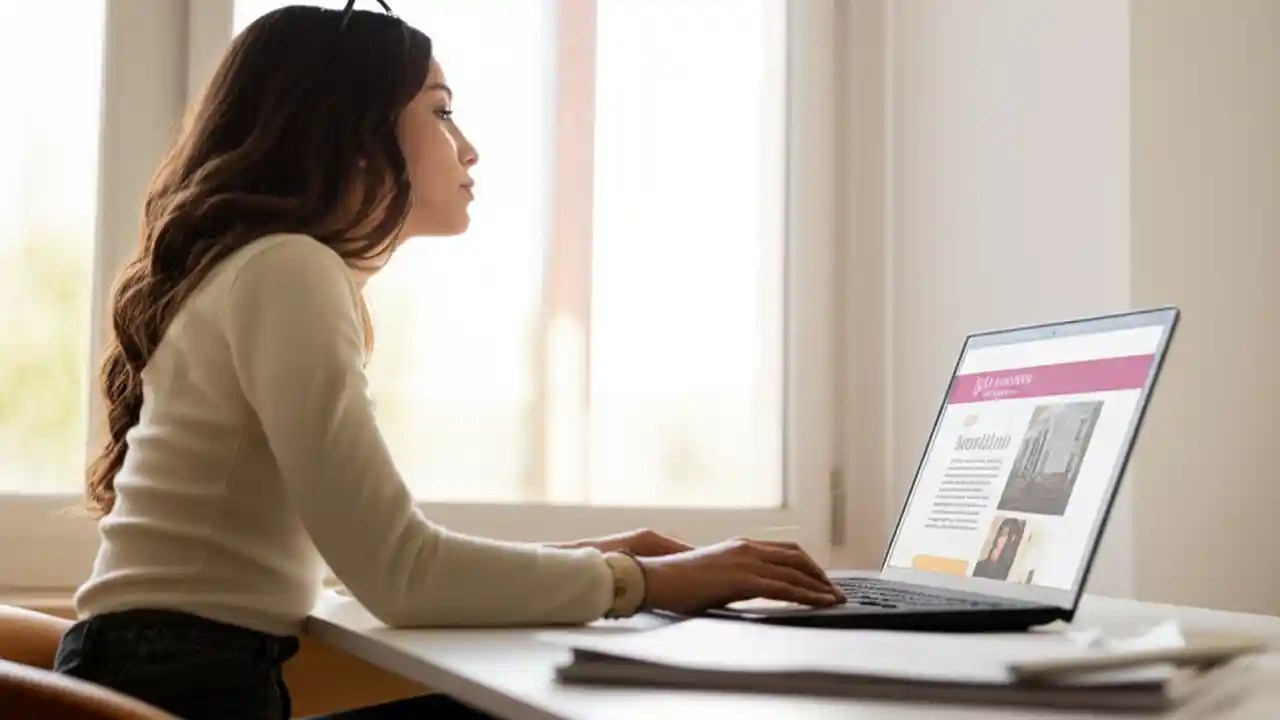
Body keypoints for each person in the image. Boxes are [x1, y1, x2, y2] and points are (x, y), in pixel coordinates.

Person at [51, 3, 844, 718]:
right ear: (351, 132)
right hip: (179, 683)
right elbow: (400, 572)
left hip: (167, 668)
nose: (469, 148)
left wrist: (614, 556)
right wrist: (642, 582)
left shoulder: (269, 270)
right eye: (441, 112)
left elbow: (379, 560)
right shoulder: (287, 270)